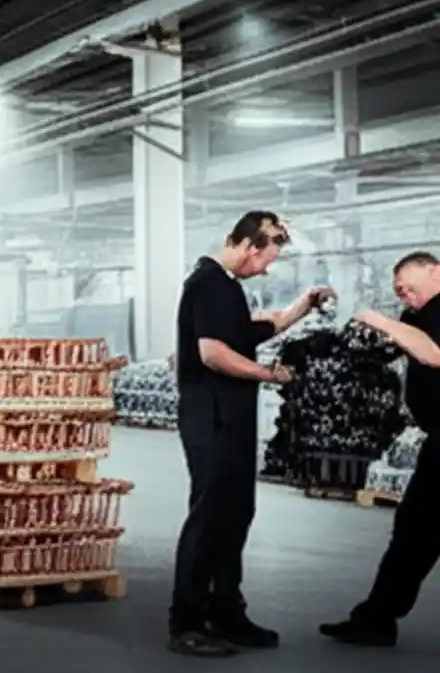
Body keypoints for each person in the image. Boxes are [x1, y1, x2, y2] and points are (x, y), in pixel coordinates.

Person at [169, 210, 334, 657]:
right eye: (266, 259)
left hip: (232, 414)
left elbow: (258, 329)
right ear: (247, 246)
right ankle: (187, 620)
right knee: (210, 513)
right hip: (212, 413)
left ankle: (227, 610)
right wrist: (271, 375)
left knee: (236, 511)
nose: (266, 268)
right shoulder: (208, 284)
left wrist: (305, 304)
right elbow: (214, 353)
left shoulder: (229, 289)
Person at [320, 251, 440, 647]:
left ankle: (378, 615)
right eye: (398, 291)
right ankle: (377, 616)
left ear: (434, 270)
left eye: (408, 285)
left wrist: (376, 317)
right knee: (415, 530)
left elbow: (434, 354)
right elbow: (394, 349)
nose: (404, 294)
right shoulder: (416, 317)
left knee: (417, 530)